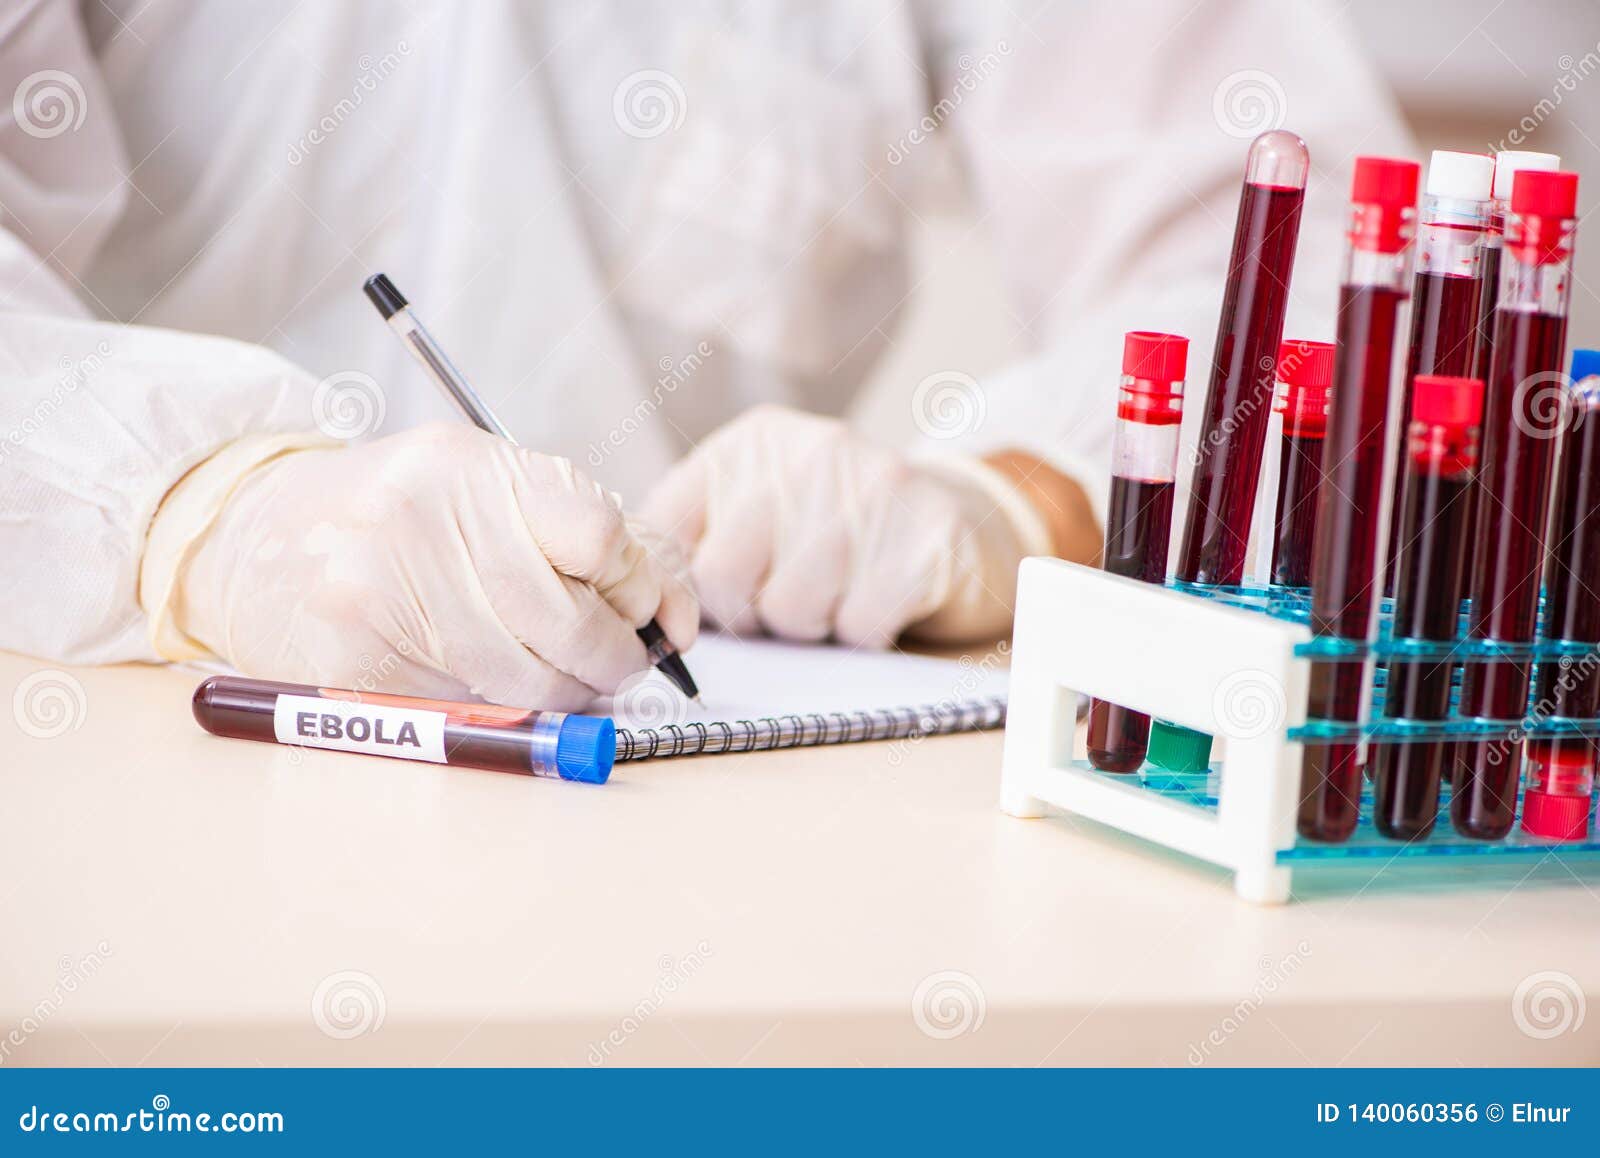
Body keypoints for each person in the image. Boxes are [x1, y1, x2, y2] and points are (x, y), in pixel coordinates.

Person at [0, 0, 1411, 707]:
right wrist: (192, 507)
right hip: (120, 728)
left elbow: (1291, 237)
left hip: (675, 782)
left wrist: (1024, 495)